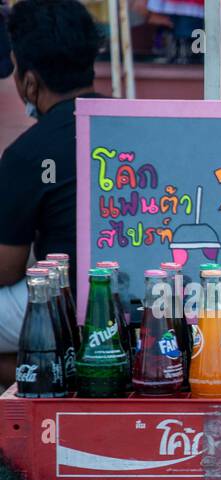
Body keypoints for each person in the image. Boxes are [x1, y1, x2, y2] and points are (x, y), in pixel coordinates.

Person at [0, 0, 100, 375]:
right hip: (149, 299)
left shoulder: (27, 153)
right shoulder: (136, 125)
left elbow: (6, 269)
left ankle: (51, 375)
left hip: (62, 304)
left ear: (29, 81)